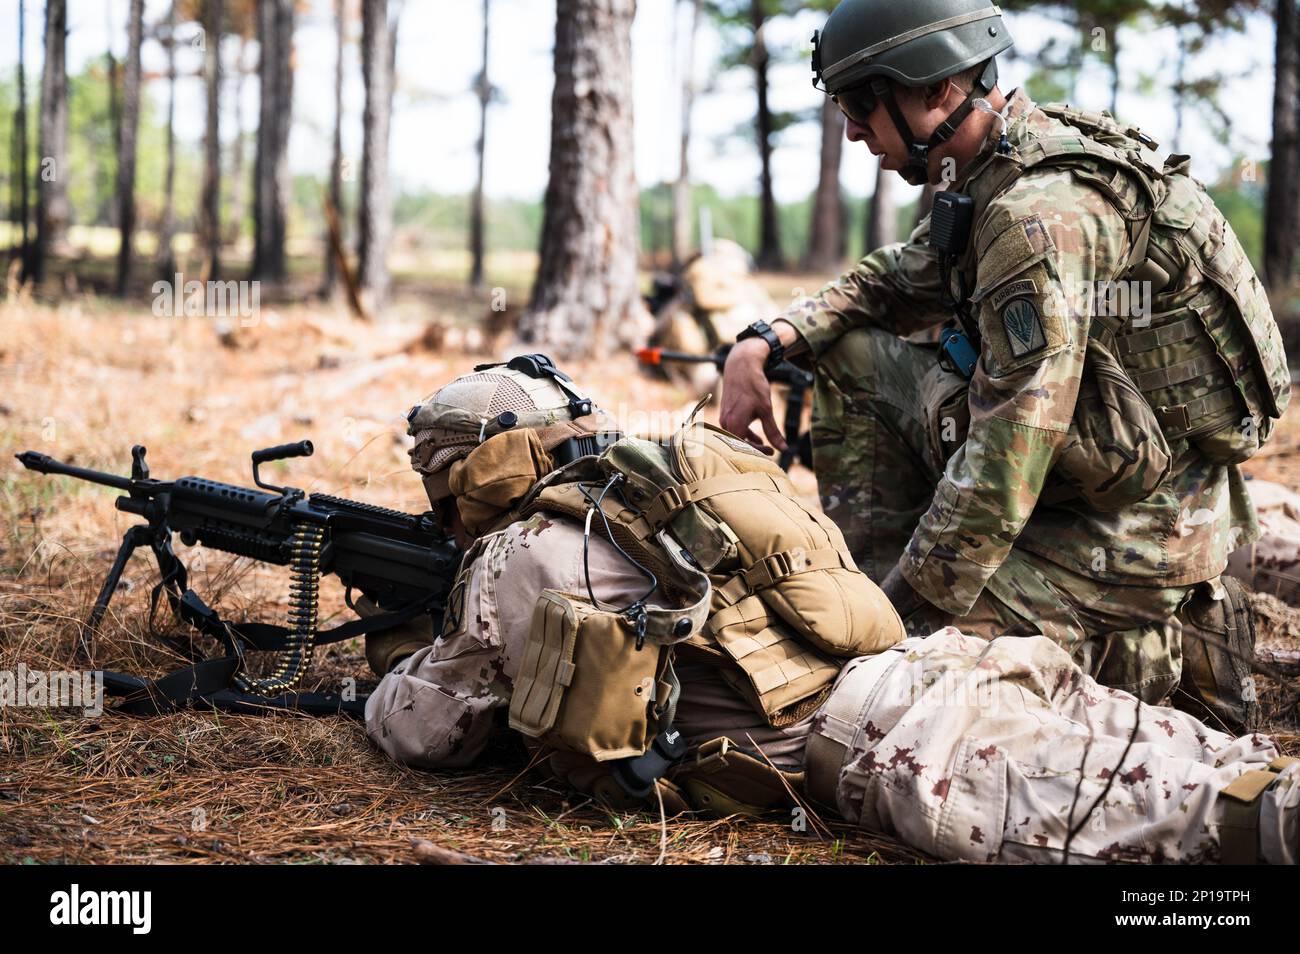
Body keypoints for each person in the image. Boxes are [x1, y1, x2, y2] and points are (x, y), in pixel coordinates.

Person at [365, 361, 1299, 864]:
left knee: (1229, 824)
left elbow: (430, 733)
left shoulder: (517, 554)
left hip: (901, 748)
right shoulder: (658, 482)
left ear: (466, 475)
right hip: (945, 669)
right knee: (1232, 771)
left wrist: (394, 660)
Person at [718, 0, 1290, 726]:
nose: (853, 129)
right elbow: (900, 278)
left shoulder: (1035, 218)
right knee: (854, 353)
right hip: (1089, 475)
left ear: (937, 91)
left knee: (890, 689)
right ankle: (895, 587)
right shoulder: (999, 160)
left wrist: (892, 619)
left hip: (1140, 528)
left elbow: (1004, 455)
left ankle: (1153, 637)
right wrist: (764, 340)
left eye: (864, 101)